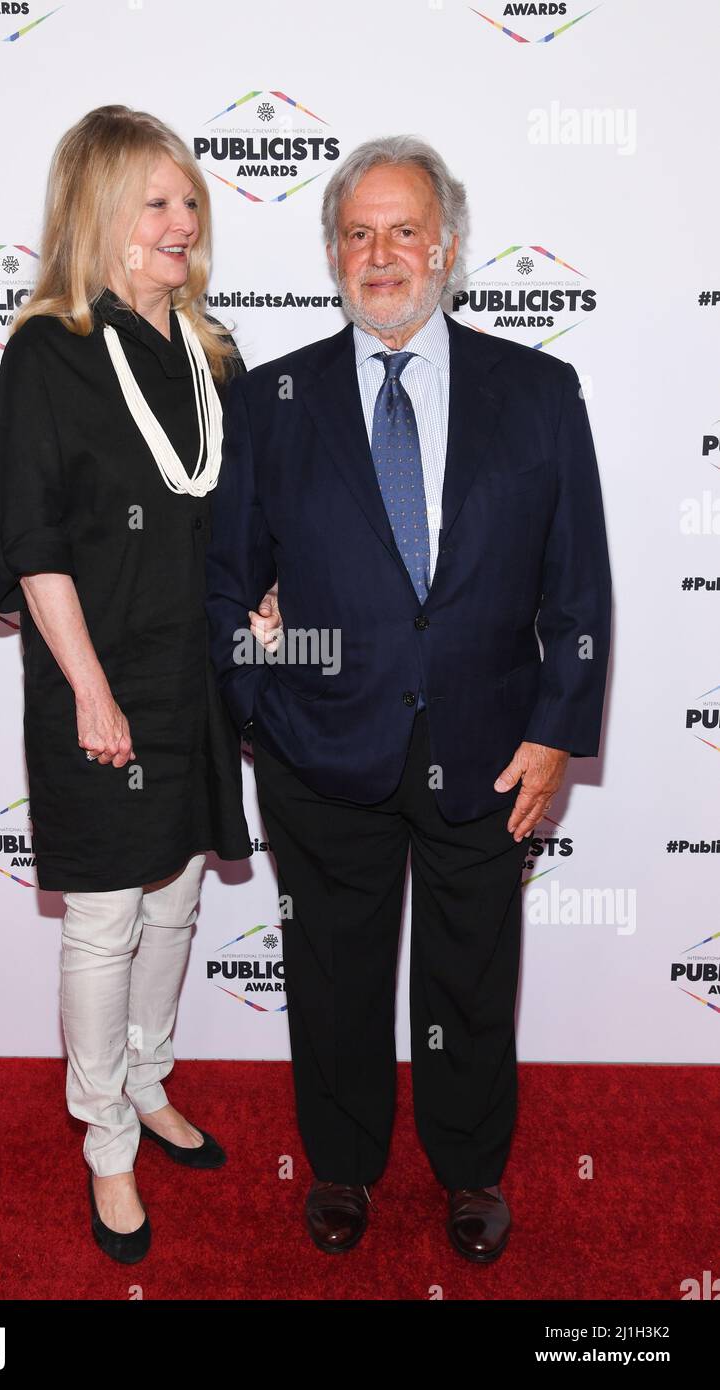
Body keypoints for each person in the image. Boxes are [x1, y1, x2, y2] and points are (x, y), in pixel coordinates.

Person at [205, 135, 611, 1260]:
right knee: (331, 971)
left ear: (445, 246)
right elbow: (229, 581)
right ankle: (340, 1164)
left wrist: (553, 734)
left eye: (402, 230)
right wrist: (257, 709)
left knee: (470, 974)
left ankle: (470, 1169)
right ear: (333, 250)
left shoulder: (535, 390)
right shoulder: (273, 399)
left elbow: (576, 583)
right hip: (317, 748)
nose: (380, 253)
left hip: (487, 745)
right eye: (356, 231)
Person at [0, 105, 278, 1264]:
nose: (182, 220)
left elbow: (239, 513)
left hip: (194, 677)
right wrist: (92, 694)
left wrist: (261, 594)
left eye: (190, 201)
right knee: (105, 921)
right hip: (97, 684)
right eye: (155, 201)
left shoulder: (213, 355)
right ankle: (105, 1140)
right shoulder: (48, 354)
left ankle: (149, 1081)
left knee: (177, 898)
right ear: (97, 211)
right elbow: (31, 544)